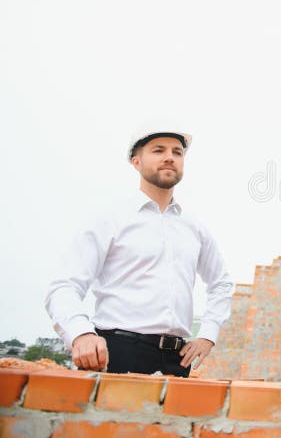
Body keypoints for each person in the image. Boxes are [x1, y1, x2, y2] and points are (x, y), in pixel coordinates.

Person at [45, 125, 234, 376]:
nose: (170, 157)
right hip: (118, 352)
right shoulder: (110, 219)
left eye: (177, 152)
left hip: (177, 360)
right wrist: (80, 333)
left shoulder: (195, 228)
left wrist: (208, 335)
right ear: (136, 162)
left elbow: (221, 283)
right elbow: (64, 286)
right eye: (158, 150)